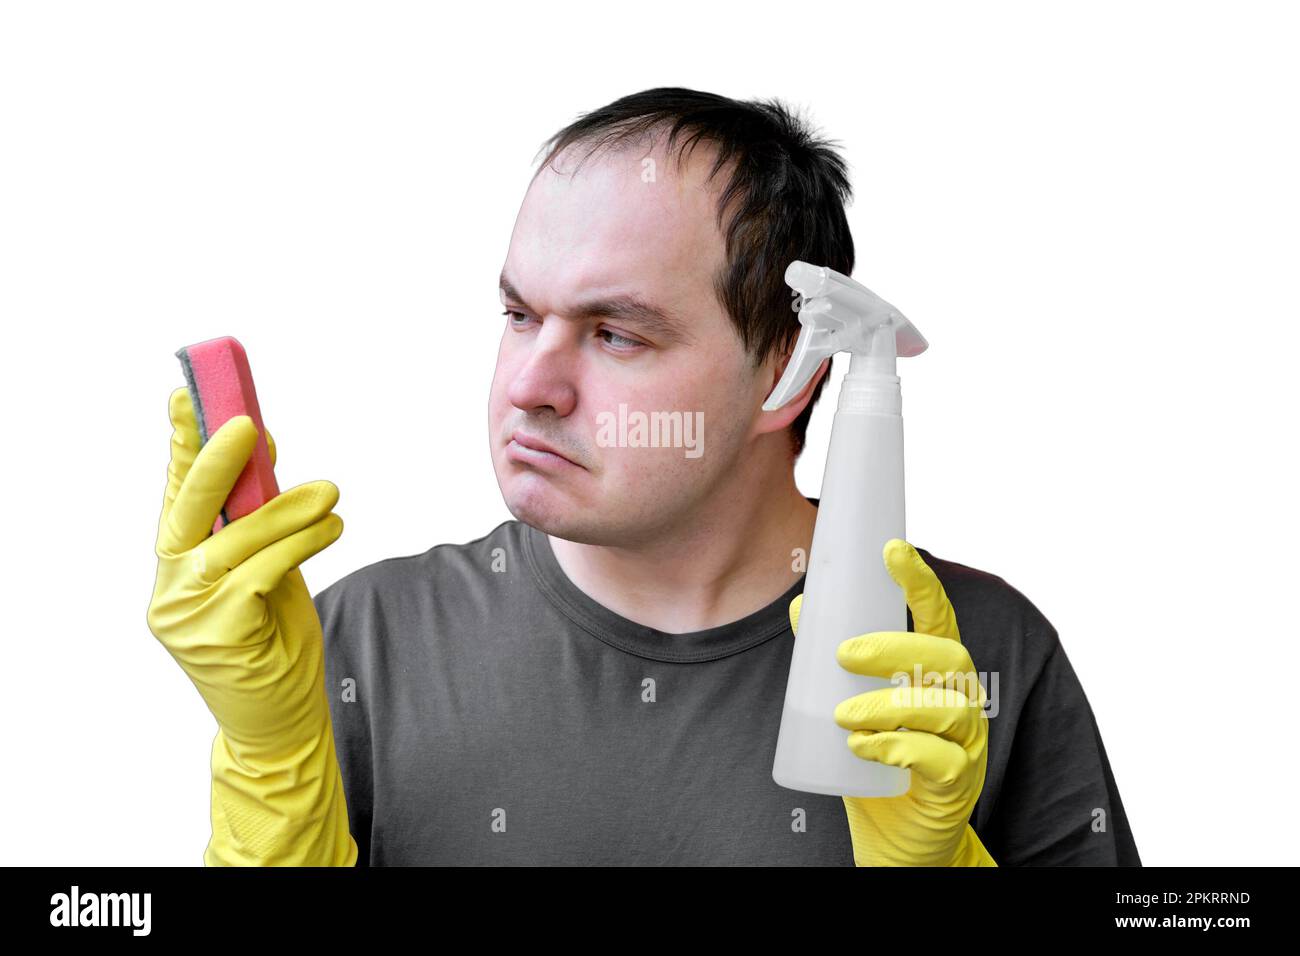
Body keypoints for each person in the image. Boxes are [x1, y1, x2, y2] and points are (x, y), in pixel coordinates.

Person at [149, 87, 1140, 866]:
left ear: (783, 375)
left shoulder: (962, 658)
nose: (530, 385)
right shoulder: (361, 637)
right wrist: (270, 762)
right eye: (518, 315)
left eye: (615, 334)